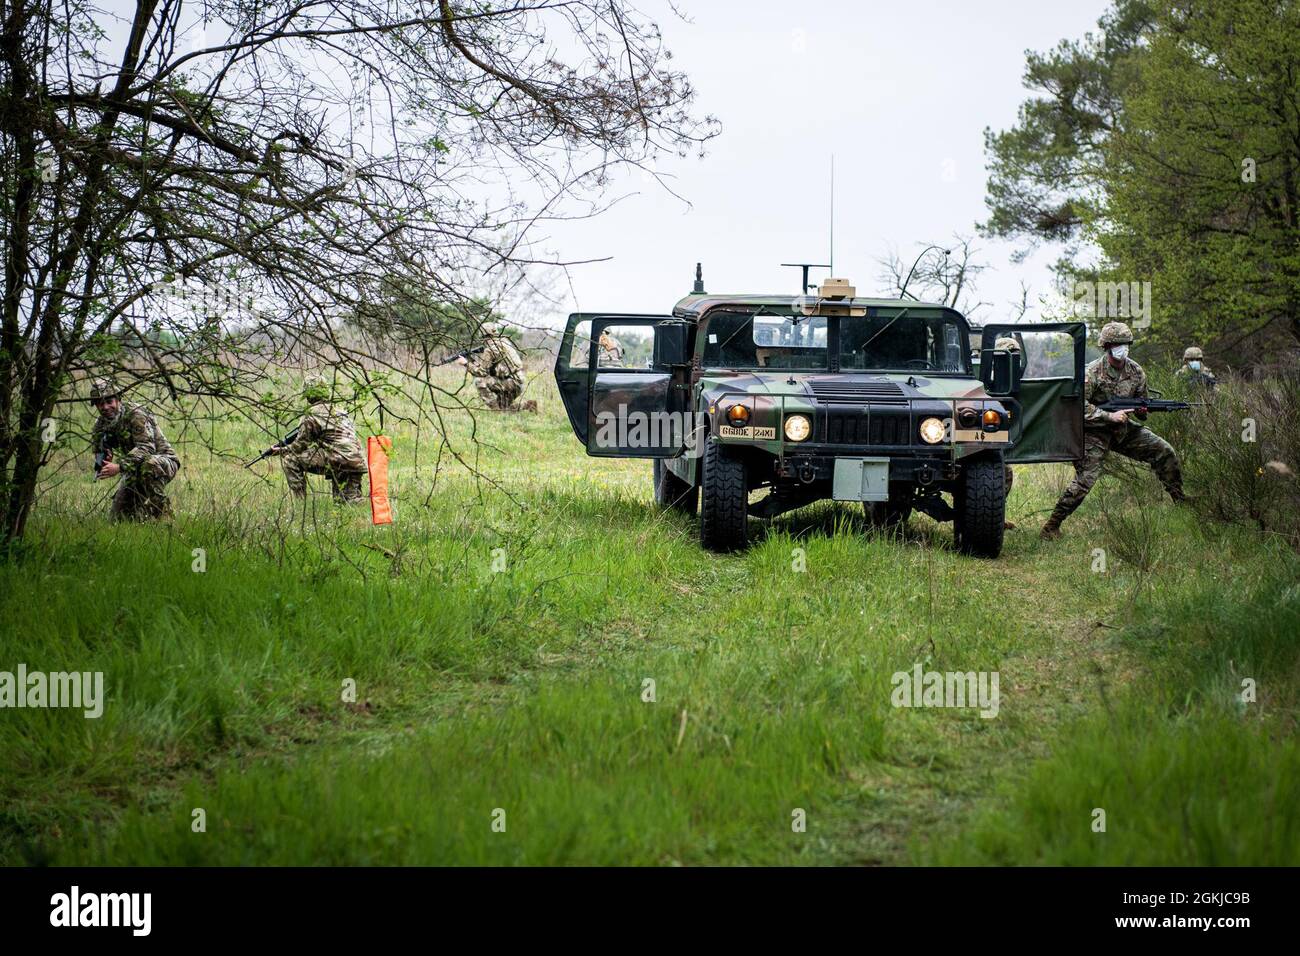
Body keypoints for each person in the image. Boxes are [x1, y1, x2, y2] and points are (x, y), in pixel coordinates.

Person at [1040, 322, 1186, 540]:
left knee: (1165, 451)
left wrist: (1143, 410)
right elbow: (1078, 406)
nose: (1123, 349)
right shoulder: (1092, 372)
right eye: (1118, 345)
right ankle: (1051, 526)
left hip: (1122, 430)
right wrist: (1109, 416)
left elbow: (1141, 406)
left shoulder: (1136, 372)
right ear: (1107, 346)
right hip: (1094, 432)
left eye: (1126, 344)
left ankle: (1181, 503)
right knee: (1085, 480)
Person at [89, 378, 181, 521]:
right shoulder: (100, 424)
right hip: (133, 467)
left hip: (162, 461)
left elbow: (146, 448)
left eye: (109, 401)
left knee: (149, 465)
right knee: (118, 519)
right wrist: (103, 458)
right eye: (100, 403)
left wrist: (119, 466)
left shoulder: (135, 414)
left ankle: (164, 518)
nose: (105, 407)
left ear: (118, 399)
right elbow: (97, 449)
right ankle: (143, 517)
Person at [269, 377, 368, 503]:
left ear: (308, 394)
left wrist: (281, 450)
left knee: (290, 459)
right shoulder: (340, 410)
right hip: (357, 460)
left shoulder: (312, 414)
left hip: (339, 458)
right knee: (347, 502)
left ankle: (301, 503)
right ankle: (365, 517)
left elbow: (299, 446)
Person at [459, 322, 526, 410]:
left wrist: (465, 363)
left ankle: (496, 412)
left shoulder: (490, 349)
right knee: (503, 407)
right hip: (519, 382)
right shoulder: (504, 342)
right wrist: (472, 360)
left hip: (511, 383)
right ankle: (527, 405)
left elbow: (481, 372)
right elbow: (489, 368)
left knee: (479, 381)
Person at [994, 336, 1021, 530]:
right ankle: (992, 517)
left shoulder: (1012, 379)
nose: (1012, 359)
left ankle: (995, 517)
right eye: (1008, 354)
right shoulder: (987, 376)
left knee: (1006, 473)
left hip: (998, 436)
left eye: (1015, 355)